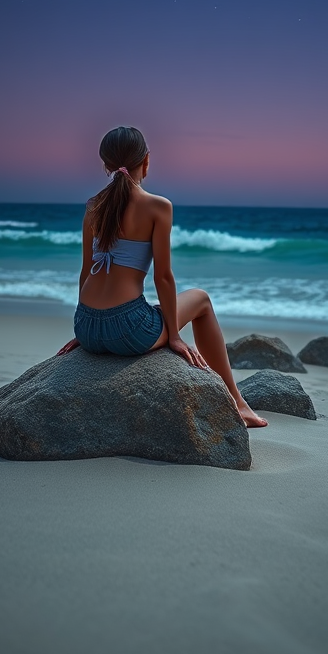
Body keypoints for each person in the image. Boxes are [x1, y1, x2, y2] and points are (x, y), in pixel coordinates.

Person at [57, 126, 267, 429]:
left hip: (87, 327)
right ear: (147, 161)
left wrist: (85, 326)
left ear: (105, 164)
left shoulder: (93, 206)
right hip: (128, 330)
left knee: (147, 305)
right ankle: (237, 402)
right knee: (202, 300)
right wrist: (175, 336)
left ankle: (238, 401)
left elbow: (86, 270)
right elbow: (164, 277)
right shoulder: (158, 206)